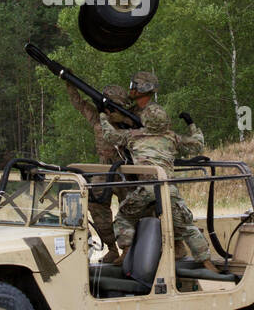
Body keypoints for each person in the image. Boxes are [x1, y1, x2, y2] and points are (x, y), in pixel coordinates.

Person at [97, 71, 212, 268]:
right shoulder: (172, 137)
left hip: (146, 188)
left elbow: (110, 135)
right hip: (169, 189)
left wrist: (103, 116)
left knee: (124, 216)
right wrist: (192, 124)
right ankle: (209, 264)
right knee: (187, 227)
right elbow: (197, 144)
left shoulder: (134, 136)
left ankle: (127, 250)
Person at [65, 81, 133, 263]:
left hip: (126, 169)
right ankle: (112, 248)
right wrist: (69, 83)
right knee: (95, 204)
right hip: (104, 167)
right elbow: (79, 103)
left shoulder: (129, 121)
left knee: (129, 210)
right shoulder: (98, 117)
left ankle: (129, 249)